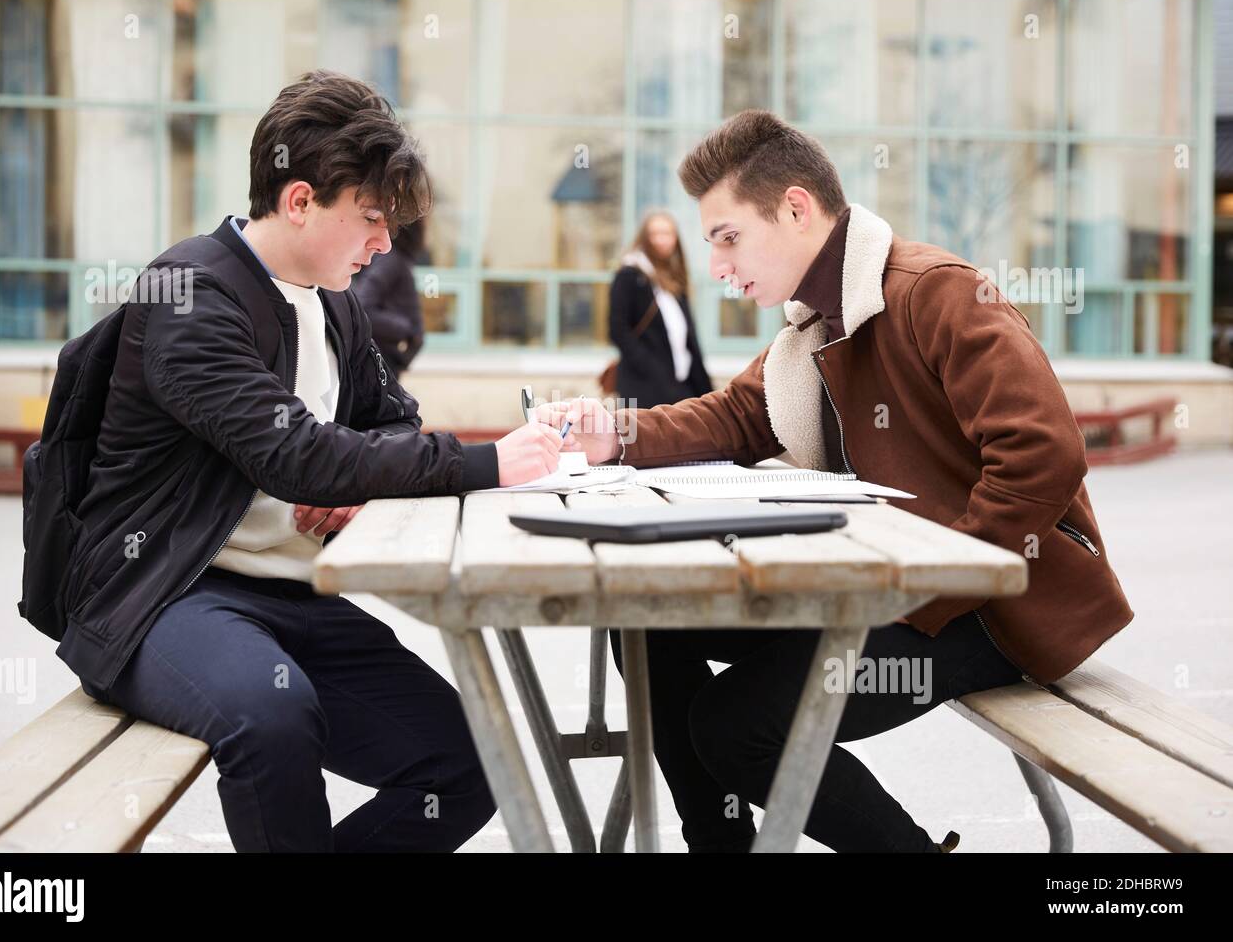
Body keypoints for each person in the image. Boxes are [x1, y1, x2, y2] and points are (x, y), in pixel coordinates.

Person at [540, 110, 1133, 853]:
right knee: (645, 619)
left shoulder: (935, 293)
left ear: (795, 208)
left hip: (992, 605)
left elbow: (1042, 455)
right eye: (710, 245)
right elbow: (735, 416)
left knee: (734, 724)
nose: (718, 265)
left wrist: (932, 586)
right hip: (883, 587)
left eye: (729, 237)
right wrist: (614, 432)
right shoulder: (812, 326)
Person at [60, 70, 565, 852]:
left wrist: (361, 487)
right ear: (299, 200)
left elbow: (390, 426)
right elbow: (295, 455)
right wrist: (486, 463)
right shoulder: (188, 294)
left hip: (297, 600)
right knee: (273, 717)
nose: (384, 244)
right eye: (370, 218)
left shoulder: (333, 302)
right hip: (168, 595)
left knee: (471, 759)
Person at [608, 210, 712, 409]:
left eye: (667, 234)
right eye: (656, 234)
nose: (662, 240)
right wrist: (649, 366)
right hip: (645, 387)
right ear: (645, 237)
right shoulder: (630, 275)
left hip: (682, 384)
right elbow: (617, 329)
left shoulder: (673, 277)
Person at [349, 219, 425, 380]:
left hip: (388, 355)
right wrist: (403, 327)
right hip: (381, 354)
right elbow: (362, 306)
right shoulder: (390, 260)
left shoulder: (398, 257)